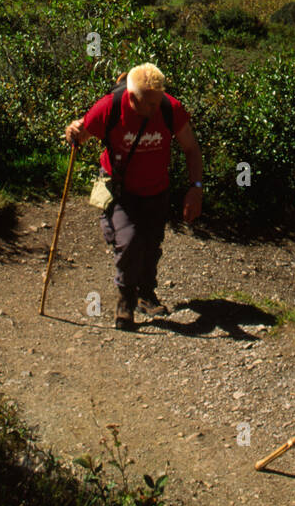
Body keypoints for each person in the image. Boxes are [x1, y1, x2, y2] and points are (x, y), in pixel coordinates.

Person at [64, 63, 203, 330]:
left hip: (156, 189)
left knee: (152, 244)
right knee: (129, 243)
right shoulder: (108, 108)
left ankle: (146, 293)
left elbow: (191, 148)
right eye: (147, 103)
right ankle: (125, 300)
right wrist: (73, 132)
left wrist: (195, 188)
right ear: (131, 97)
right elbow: (79, 137)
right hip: (121, 189)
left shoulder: (169, 108)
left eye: (157, 101)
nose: (153, 108)